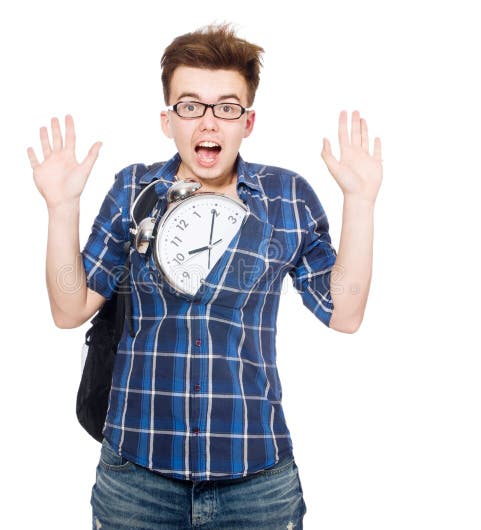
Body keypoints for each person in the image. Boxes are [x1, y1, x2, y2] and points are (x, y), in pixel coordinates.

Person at [28, 24, 382, 530]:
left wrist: (361, 202)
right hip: (137, 478)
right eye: (190, 106)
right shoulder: (134, 188)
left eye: (227, 107)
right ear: (168, 118)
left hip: (255, 480)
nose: (208, 123)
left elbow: (344, 313)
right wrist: (62, 207)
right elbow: (70, 307)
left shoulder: (287, 198)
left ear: (248, 121)